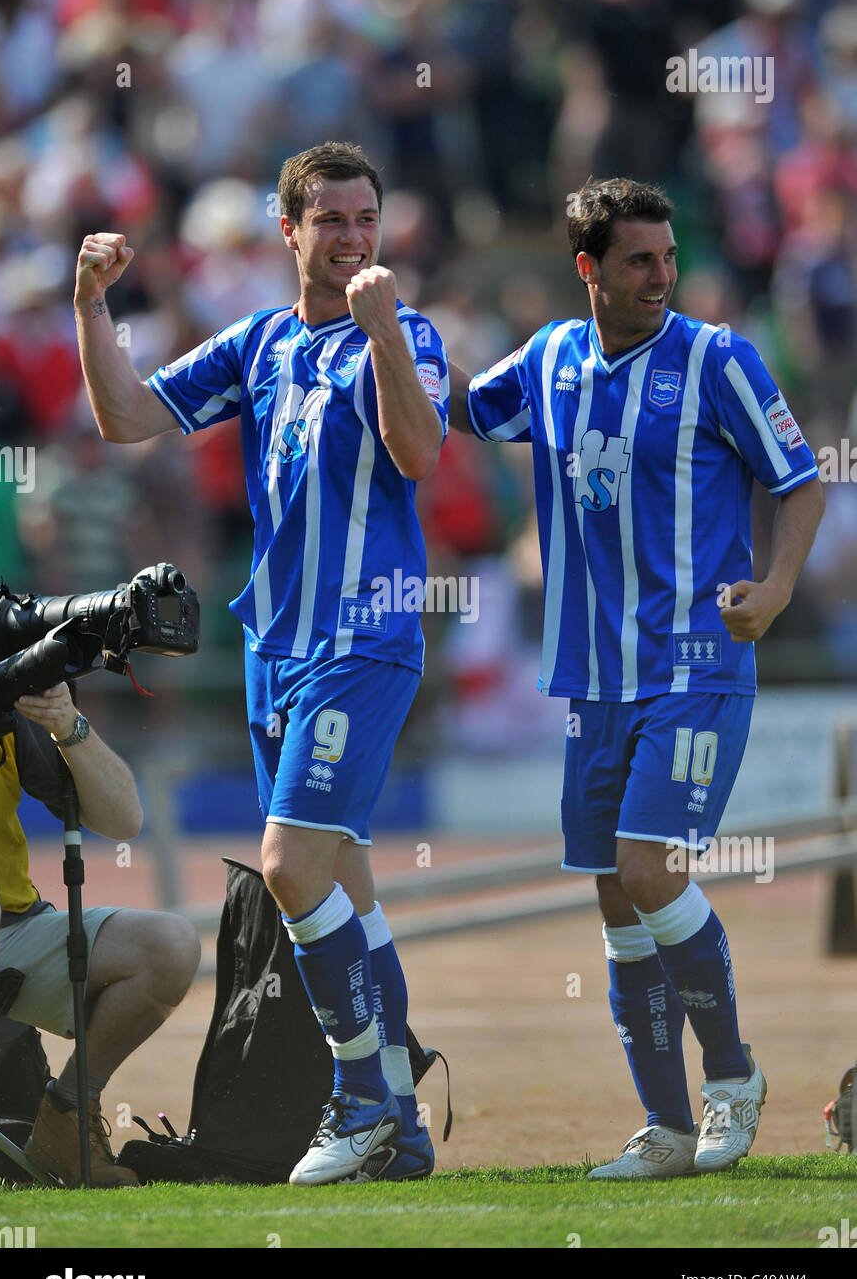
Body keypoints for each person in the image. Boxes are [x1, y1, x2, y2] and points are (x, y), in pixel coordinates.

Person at [74, 141, 448, 1185]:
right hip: (273, 642)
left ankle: (364, 1099)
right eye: (329, 220)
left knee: (288, 868)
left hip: (364, 637)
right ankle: (403, 1126)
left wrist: (378, 335)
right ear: (288, 232)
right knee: (347, 881)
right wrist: (90, 307)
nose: (352, 238)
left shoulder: (406, 332)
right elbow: (125, 417)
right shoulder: (256, 342)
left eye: (365, 219)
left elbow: (419, 453)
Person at [449, 177, 825, 1179]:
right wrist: (390, 333)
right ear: (588, 270)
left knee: (652, 868)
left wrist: (776, 586)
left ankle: (732, 1076)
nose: (662, 276)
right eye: (638, 262)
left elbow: (797, 478)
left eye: (666, 258)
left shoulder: (716, 359)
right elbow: (459, 414)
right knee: (618, 902)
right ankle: (662, 1127)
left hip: (697, 662)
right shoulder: (545, 360)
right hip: (592, 678)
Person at [0, 683, 200, 1187]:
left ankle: (67, 1115)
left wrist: (67, 723)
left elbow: (123, 820)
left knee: (170, 945)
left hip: (11, 927)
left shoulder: (4, 707)